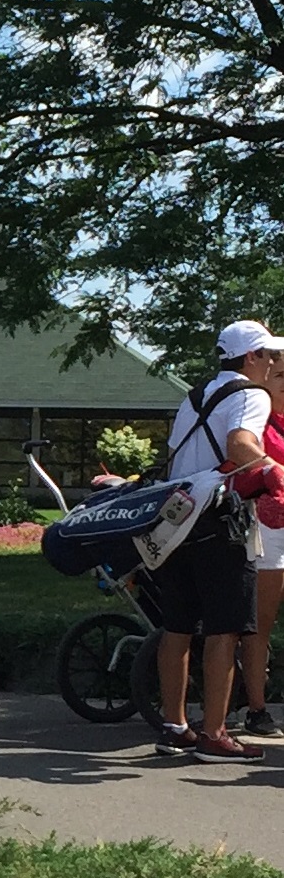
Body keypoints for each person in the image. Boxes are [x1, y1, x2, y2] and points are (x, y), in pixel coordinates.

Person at [152, 319, 279, 764]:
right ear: (252, 359)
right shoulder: (251, 395)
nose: (273, 364)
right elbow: (241, 443)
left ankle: (174, 726)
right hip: (221, 519)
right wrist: (275, 474)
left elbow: (176, 455)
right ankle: (215, 733)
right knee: (225, 627)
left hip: (177, 518)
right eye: (269, 355)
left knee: (178, 625)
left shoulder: (194, 395)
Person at [242, 358, 284, 736]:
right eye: (281, 376)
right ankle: (256, 708)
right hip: (269, 534)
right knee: (261, 625)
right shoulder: (257, 424)